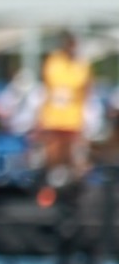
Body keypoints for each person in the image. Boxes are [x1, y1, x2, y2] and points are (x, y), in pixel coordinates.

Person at [38, 32, 92, 179]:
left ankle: (71, 181)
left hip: (73, 118)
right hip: (54, 117)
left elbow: (87, 89)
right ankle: (51, 180)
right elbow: (47, 88)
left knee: (72, 153)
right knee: (53, 151)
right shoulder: (53, 62)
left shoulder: (81, 65)